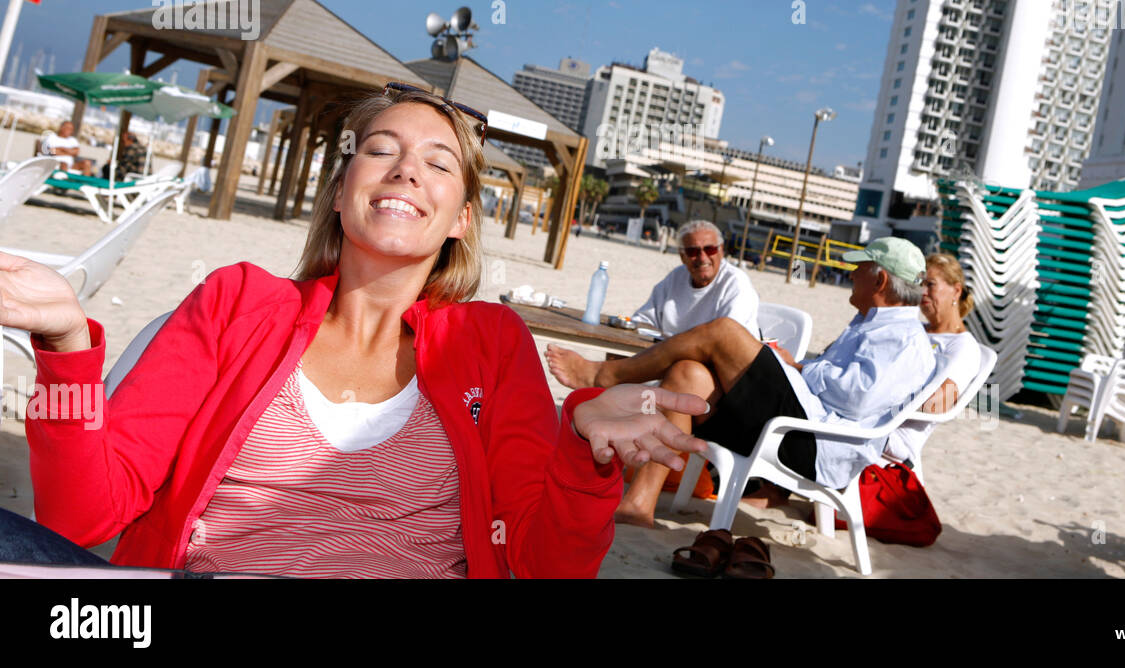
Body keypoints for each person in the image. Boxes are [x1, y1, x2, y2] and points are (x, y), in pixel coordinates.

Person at [0, 84, 708, 578]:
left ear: (460, 218)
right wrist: (67, 347)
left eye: (438, 164)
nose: (406, 168)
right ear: (341, 192)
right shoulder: (236, 303)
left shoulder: (490, 345)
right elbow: (81, 513)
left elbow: (545, 563)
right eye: (382, 149)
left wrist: (583, 448)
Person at [547, 236, 936, 526]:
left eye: (860, 269)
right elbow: (843, 386)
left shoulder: (905, 340)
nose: (851, 275)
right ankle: (639, 505)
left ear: (880, 280)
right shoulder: (872, 325)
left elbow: (855, 399)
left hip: (815, 443)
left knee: (724, 332)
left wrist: (801, 369)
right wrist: (799, 369)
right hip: (801, 423)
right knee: (687, 374)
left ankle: (605, 374)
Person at [883, 252, 983, 467]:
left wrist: (881, 392)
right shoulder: (915, 329)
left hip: (894, 436)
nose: (923, 292)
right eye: (920, 284)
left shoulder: (963, 346)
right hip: (873, 421)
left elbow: (936, 404)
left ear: (956, 290)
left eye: (930, 285)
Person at [630, 219, 760, 340]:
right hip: (673, 354)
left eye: (710, 249)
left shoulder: (735, 282)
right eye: (692, 252)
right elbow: (643, 320)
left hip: (718, 360)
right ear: (682, 256)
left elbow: (724, 339)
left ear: (721, 251)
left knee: (686, 366)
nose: (702, 257)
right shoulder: (676, 277)